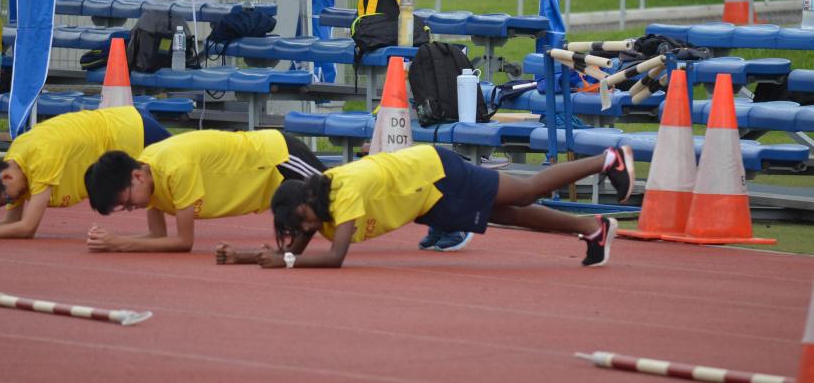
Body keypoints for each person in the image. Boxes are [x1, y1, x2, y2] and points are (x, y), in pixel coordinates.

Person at [214, 144, 635, 269]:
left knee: (522, 194)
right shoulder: (315, 207)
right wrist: (245, 256)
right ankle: (590, 229)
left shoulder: (344, 193)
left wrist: (284, 263)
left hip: (435, 173)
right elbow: (296, 249)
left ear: (308, 200)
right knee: (509, 216)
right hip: (423, 200)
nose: (301, 228)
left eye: (299, 221)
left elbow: (337, 257)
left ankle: (607, 159)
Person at [84, 129, 326, 253]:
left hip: (276, 158)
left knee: (337, 196)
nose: (132, 208)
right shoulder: (146, 172)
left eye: (127, 202)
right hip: (264, 177)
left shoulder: (175, 168)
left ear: (136, 176)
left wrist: (119, 243)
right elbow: (158, 235)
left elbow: (183, 242)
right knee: (329, 212)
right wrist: (114, 241)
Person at [0, 106, 171, 240]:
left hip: (134, 133)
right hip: (123, 121)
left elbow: (27, 228)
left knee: (186, 178)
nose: (14, 201)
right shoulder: (14, 160)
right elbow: (12, 223)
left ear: (6, 178)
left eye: (8, 198)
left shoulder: (41, 158)